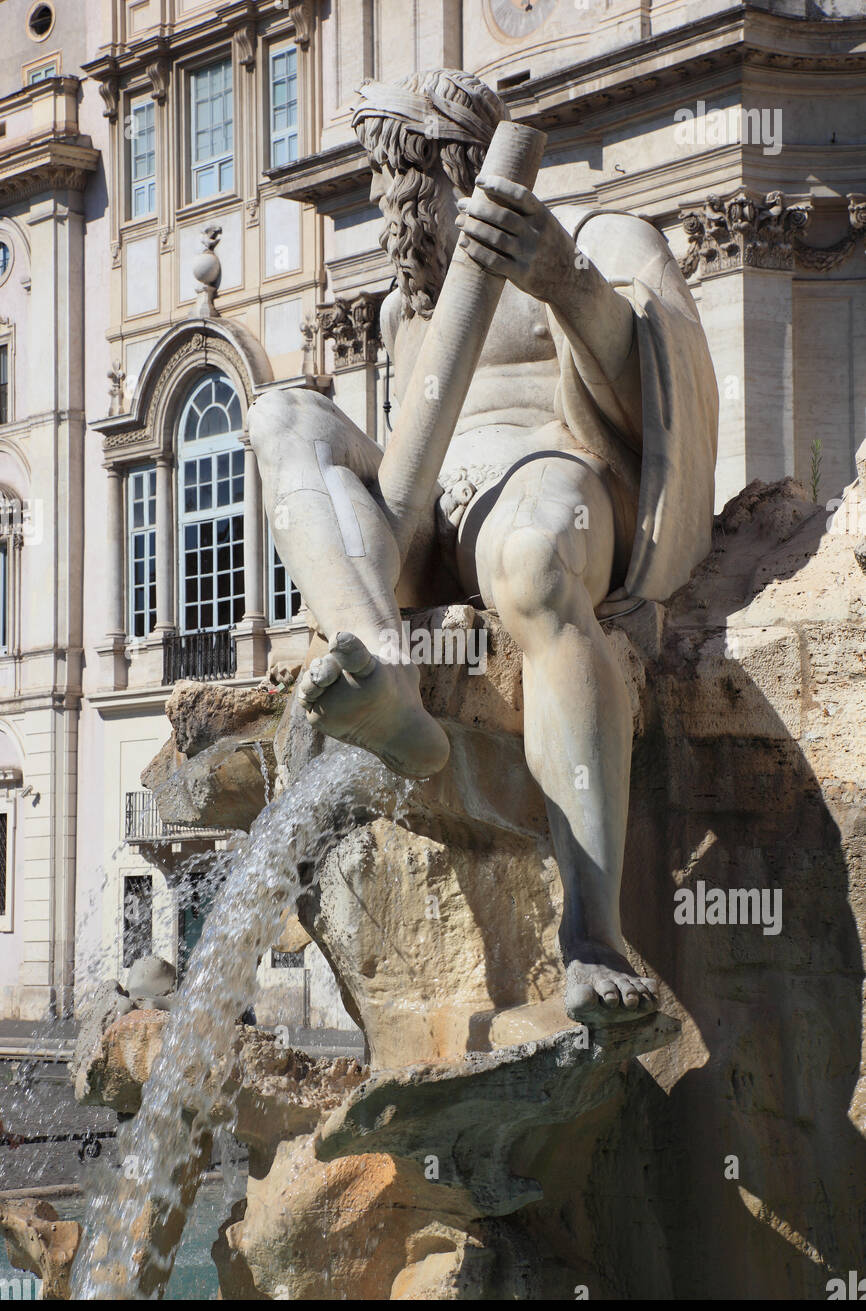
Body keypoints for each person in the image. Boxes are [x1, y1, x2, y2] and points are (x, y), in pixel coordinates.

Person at [248, 69, 718, 1023]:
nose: (387, 222)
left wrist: (565, 284)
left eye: (400, 193)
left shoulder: (591, 237)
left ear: (456, 171)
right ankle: (378, 665)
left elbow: (664, 407)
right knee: (281, 416)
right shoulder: (401, 305)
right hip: (433, 517)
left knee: (536, 560)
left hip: (552, 475)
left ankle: (592, 934)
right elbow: (401, 457)